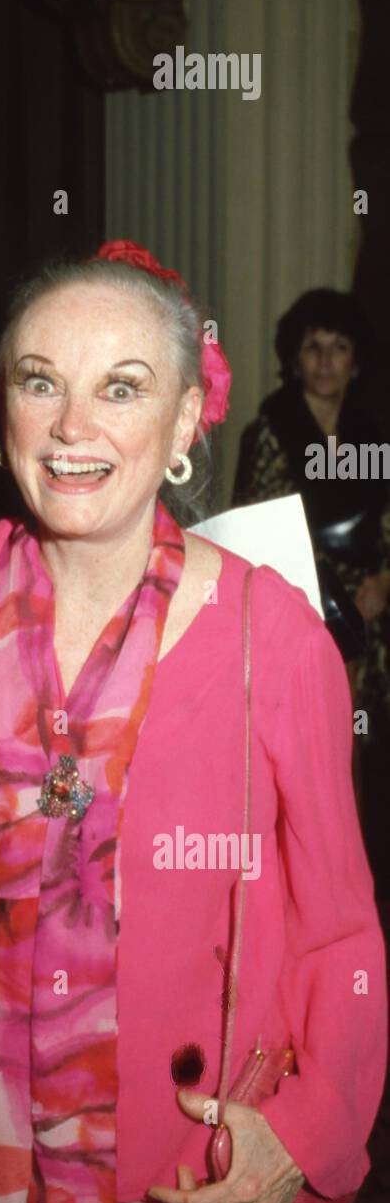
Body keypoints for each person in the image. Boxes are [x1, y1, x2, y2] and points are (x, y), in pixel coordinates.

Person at [0, 241, 386, 1203]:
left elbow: (342, 932)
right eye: (41, 382)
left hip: (177, 1189)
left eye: (122, 388)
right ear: (3, 412)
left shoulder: (274, 638)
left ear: (180, 425)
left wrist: (304, 1130)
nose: (73, 426)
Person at [233, 289, 389, 884]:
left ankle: (357, 879)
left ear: (356, 359)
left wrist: (384, 581)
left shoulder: (374, 430)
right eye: (313, 347)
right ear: (294, 359)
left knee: (361, 754)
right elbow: (256, 525)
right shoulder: (273, 428)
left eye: (339, 347)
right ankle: (312, 880)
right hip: (303, 605)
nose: (326, 360)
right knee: (313, 758)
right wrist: (320, 602)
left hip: (372, 610)